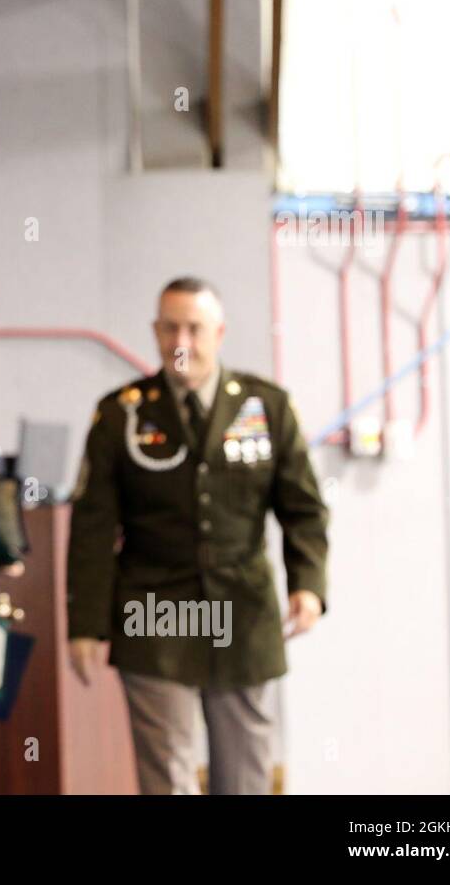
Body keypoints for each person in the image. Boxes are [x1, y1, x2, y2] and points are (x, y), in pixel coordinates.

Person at [66, 276, 328, 795]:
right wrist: (86, 624)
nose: (180, 341)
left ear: (220, 332)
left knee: (248, 770)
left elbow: (303, 508)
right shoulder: (122, 414)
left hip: (244, 613)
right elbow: (93, 527)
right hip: (154, 612)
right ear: (155, 331)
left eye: (194, 328)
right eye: (169, 328)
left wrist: (309, 584)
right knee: (168, 773)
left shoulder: (265, 407)